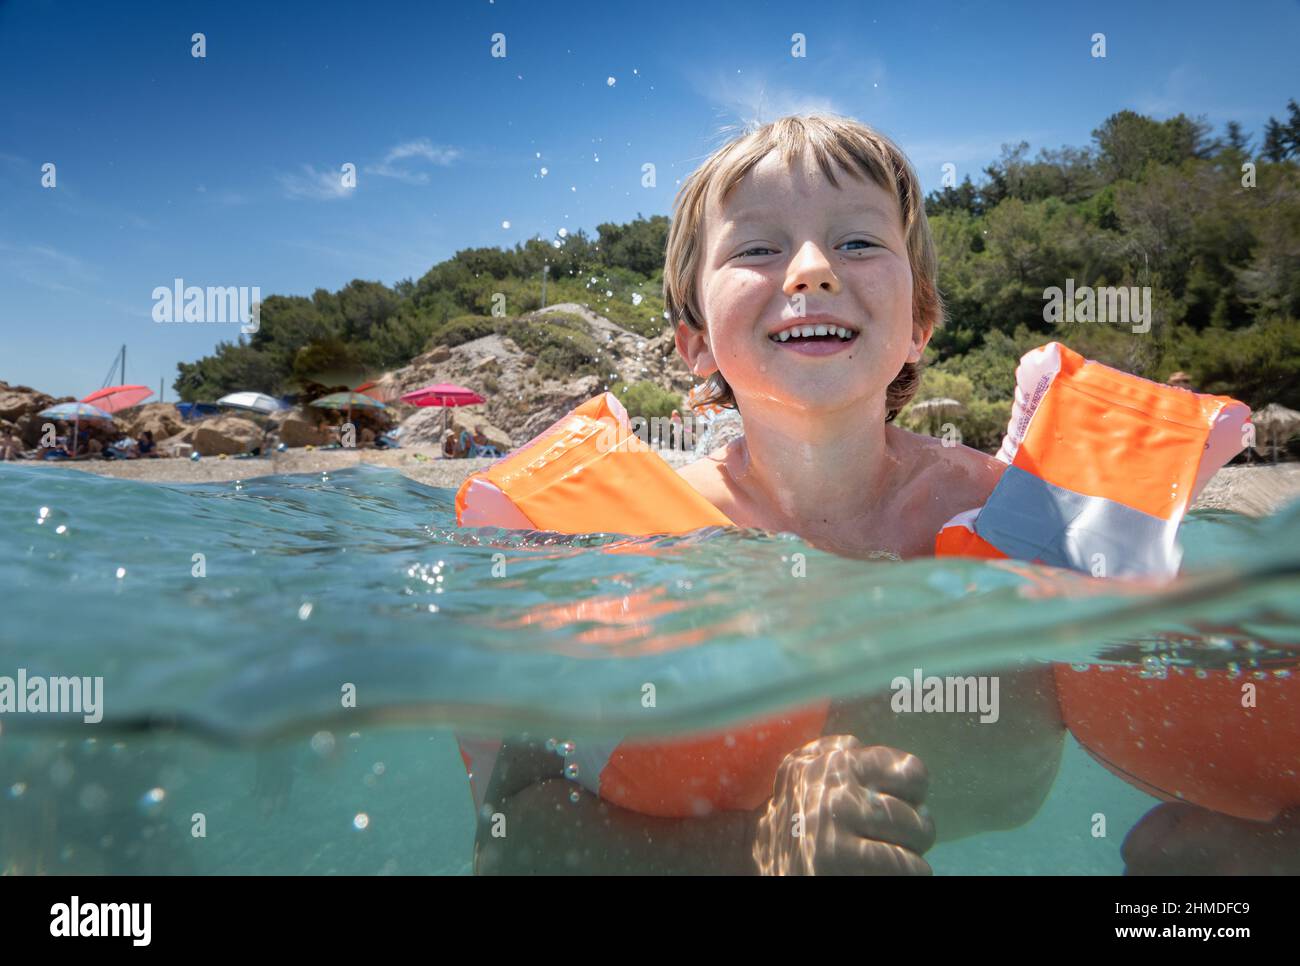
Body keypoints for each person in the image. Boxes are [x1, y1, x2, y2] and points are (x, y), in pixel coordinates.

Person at [472, 113, 1276, 877]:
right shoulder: (623, 555)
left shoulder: (1044, 524)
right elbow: (511, 838)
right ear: (694, 343)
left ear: (919, 322)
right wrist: (750, 850)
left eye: (858, 241)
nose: (813, 268)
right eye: (757, 247)